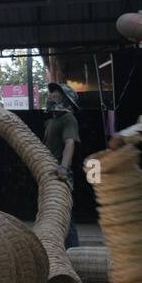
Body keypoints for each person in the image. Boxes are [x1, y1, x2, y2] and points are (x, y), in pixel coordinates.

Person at [43, 82, 81, 248]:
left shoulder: (68, 119)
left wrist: (63, 168)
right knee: (53, 216)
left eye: (56, 92)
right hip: (49, 173)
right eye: (51, 91)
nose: (51, 94)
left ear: (65, 98)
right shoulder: (50, 122)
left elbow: (69, 143)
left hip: (61, 174)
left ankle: (74, 253)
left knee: (65, 216)